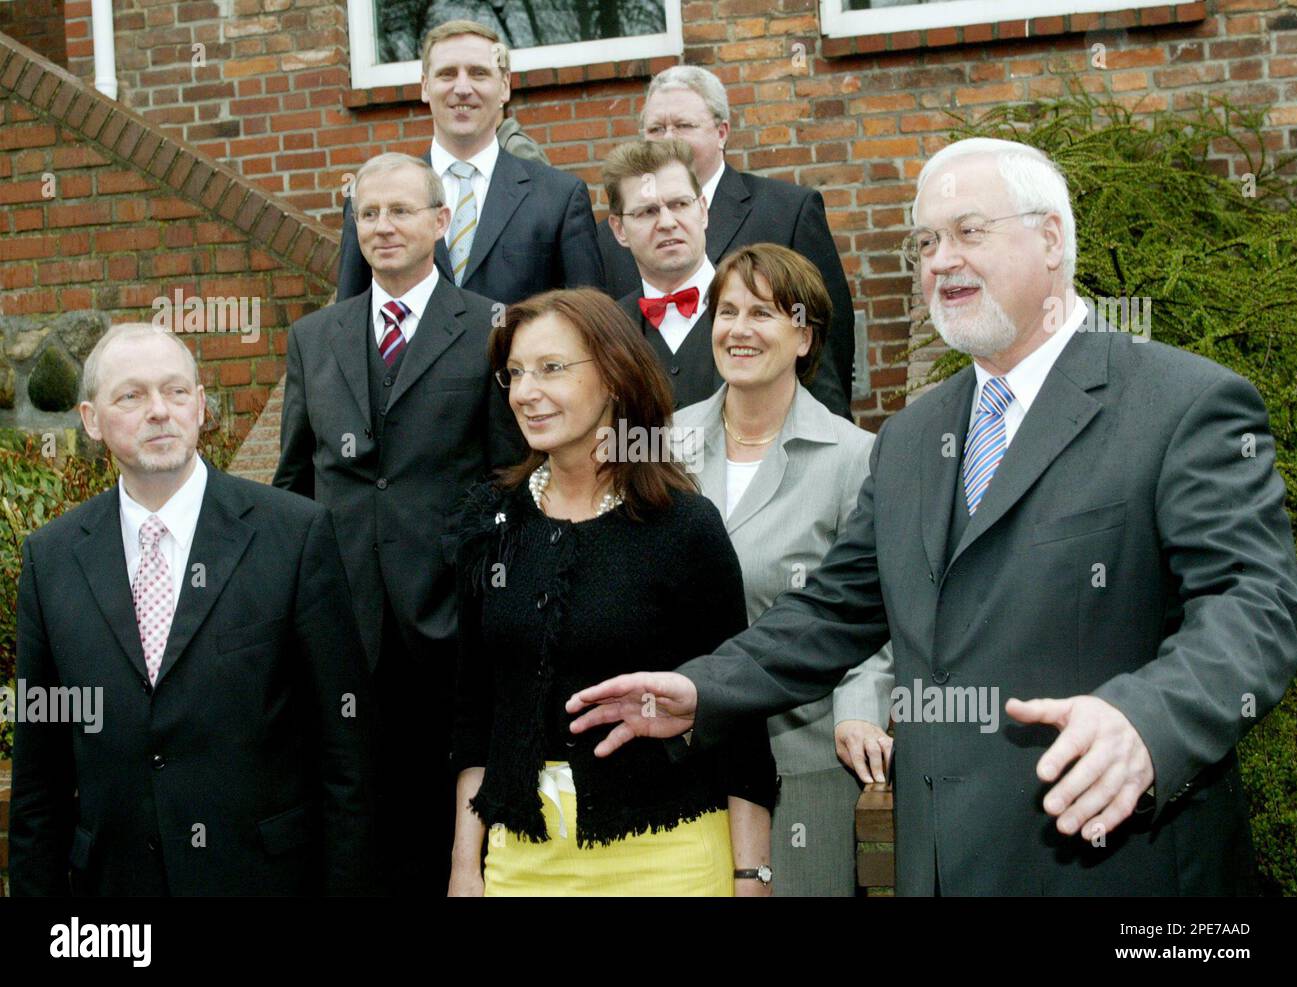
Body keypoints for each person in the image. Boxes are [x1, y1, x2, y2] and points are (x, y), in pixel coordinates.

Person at [567, 138, 1297, 895]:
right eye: (925, 241)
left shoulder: (1182, 404)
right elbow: (834, 610)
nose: (940, 260)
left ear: (1050, 238)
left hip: (1121, 869)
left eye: (968, 232)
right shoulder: (914, 436)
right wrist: (704, 689)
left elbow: (1256, 606)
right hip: (940, 869)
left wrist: (1149, 723)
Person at [9, 324, 378, 896]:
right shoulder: (51, 560)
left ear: (201, 405)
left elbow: (345, 754)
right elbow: (40, 780)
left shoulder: (294, 536)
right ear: (90, 419)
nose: (159, 411)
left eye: (176, 391)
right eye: (131, 396)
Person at [448, 288, 777, 896]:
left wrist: (750, 875)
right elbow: (476, 715)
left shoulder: (683, 527)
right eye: (515, 373)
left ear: (615, 377)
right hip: (521, 863)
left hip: (668, 856)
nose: (525, 391)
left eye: (551, 369)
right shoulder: (490, 523)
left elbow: (738, 716)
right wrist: (466, 869)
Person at [274, 151, 523, 895]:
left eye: (401, 210)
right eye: (369, 213)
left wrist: (482, 589)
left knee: (440, 825)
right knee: (350, 823)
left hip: (448, 623)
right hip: (340, 624)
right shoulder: (314, 337)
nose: (382, 226)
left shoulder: (489, 327)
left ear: (441, 222)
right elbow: (293, 482)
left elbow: (510, 480)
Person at [673, 243, 894, 896]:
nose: (738, 329)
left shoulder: (856, 457)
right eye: (726, 311)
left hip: (802, 757)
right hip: (681, 756)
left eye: (762, 313)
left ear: (804, 334)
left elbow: (871, 608)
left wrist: (861, 708)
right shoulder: (665, 443)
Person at [597, 65, 854, 418]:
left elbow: (828, 345)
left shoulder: (788, 210)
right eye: (656, 129)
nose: (669, 138)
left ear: (721, 132)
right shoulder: (607, 237)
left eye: (684, 126)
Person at [336, 20, 603, 303]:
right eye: (447, 74)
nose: (462, 88)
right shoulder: (371, 197)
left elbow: (589, 325)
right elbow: (350, 320)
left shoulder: (559, 198)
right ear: (426, 87)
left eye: (478, 73)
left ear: (504, 87)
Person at [603, 139, 720, 409]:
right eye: (647, 212)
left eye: (679, 204)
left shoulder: (764, 310)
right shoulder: (606, 332)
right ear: (619, 229)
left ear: (702, 210)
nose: (667, 222)